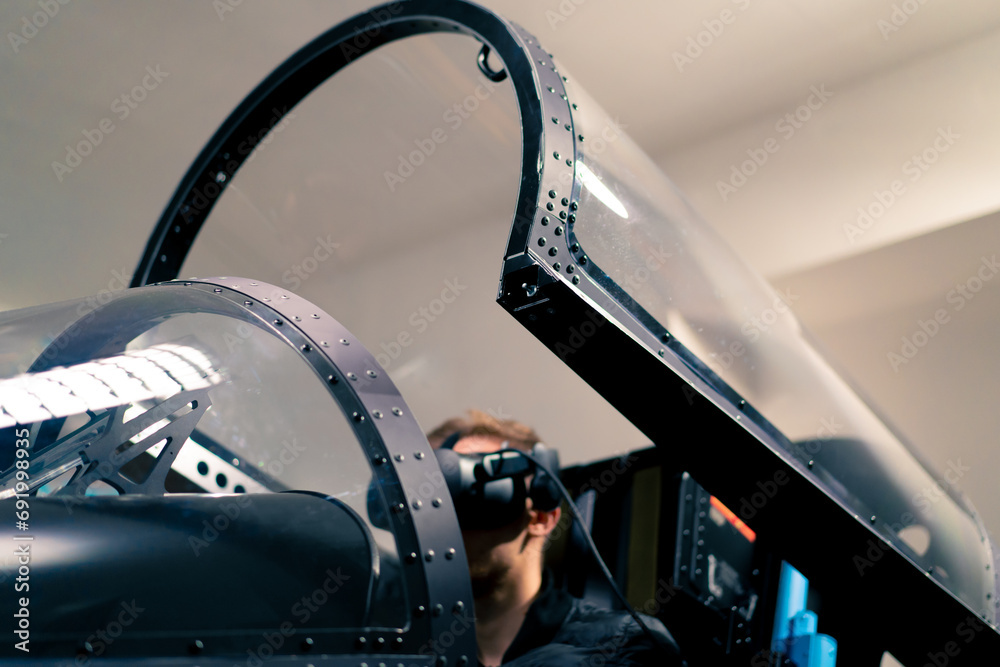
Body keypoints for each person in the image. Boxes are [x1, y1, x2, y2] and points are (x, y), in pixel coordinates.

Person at [427, 410, 686, 667]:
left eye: (470, 498)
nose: (443, 524)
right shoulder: (412, 644)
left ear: (541, 518)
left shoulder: (620, 644)